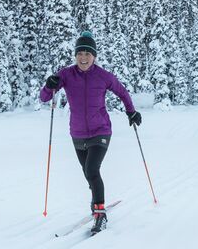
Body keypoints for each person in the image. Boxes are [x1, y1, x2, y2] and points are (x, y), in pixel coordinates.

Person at [39, 31, 141, 233]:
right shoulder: (66, 74)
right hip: (77, 133)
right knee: (88, 173)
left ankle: (100, 212)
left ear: (94, 56)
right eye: (80, 53)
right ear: (75, 55)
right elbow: (44, 97)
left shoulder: (104, 76)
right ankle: (96, 202)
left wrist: (131, 112)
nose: (83, 57)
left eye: (87, 53)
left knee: (92, 170)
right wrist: (48, 85)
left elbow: (122, 92)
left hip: (101, 130)